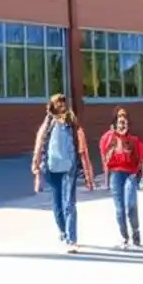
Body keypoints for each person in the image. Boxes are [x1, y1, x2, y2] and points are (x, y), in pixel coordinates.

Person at [31, 93, 94, 253]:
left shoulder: (72, 122)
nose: (61, 106)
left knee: (69, 203)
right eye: (58, 103)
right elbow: (39, 144)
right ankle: (64, 231)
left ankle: (72, 239)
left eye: (63, 103)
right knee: (58, 203)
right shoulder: (48, 123)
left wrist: (87, 172)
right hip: (52, 168)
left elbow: (82, 146)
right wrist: (36, 165)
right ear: (52, 106)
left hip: (69, 168)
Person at [99, 108, 143, 249]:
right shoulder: (108, 139)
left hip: (131, 174)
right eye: (120, 122)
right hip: (115, 174)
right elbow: (105, 159)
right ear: (114, 123)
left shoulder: (134, 141)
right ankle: (124, 237)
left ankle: (136, 233)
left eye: (124, 122)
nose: (122, 125)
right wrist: (106, 179)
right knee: (119, 209)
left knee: (130, 205)